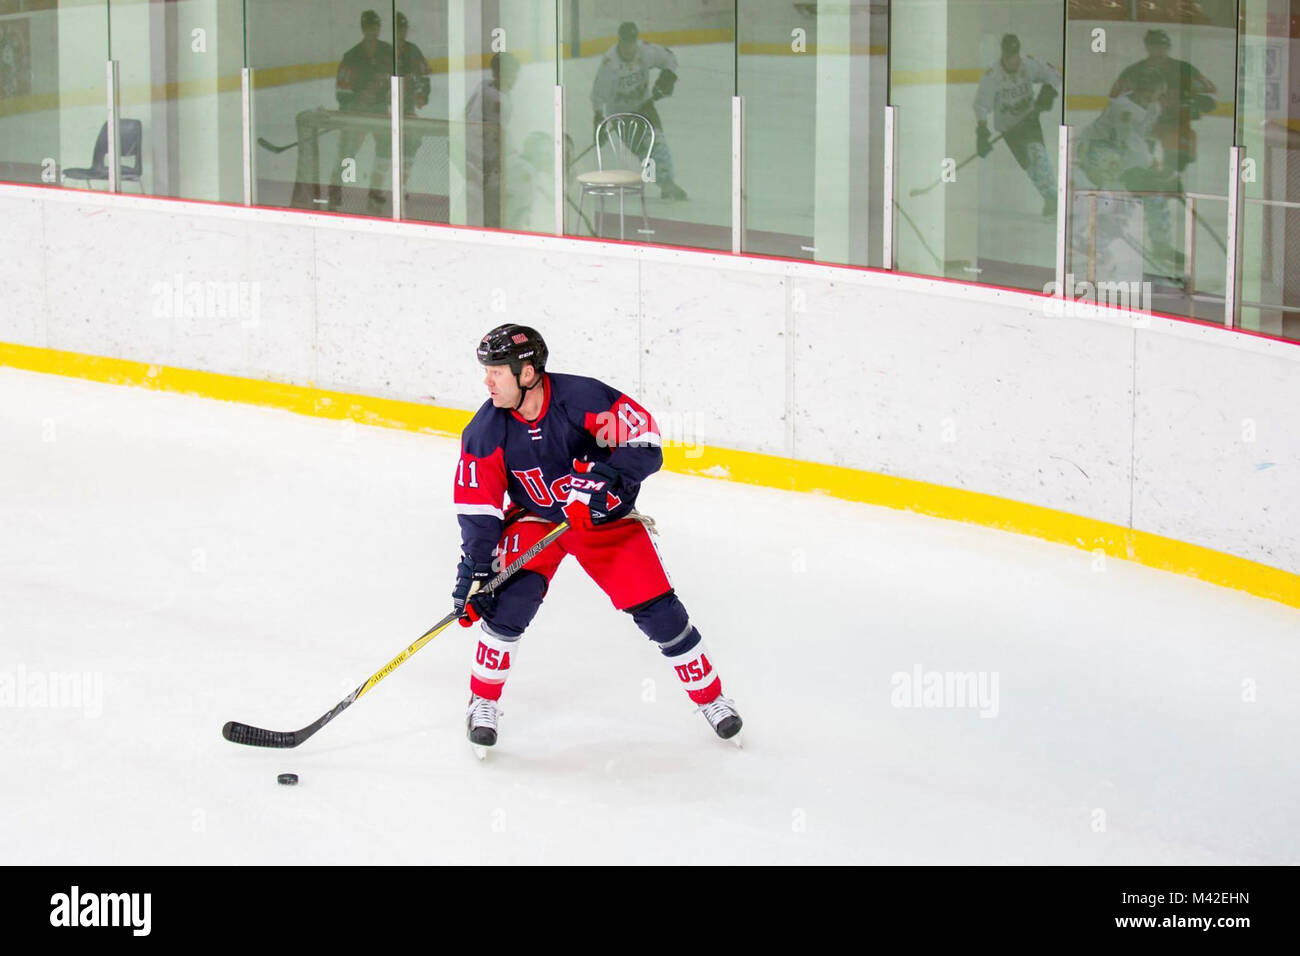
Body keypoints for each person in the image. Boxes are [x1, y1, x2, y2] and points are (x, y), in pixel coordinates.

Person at [451, 324, 743, 750]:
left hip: (603, 523)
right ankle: (483, 702)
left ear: (527, 372)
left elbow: (644, 442)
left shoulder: (581, 399)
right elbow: (479, 507)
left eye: (497, 370)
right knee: (507, 606)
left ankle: (713, 700)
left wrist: (605, 482)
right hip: (537, 521)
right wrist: (476, 569)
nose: (487, 381)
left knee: (661, 613)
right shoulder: (485, 431)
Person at [590, 21, 687, 201]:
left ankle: (668, 183)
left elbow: (670, 58)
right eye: (625, 43)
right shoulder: (609, 64)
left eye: (632, 42)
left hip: (644, 106)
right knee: (645, 151)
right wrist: (598, 119)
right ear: (620, 42)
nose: (629, 48)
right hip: (621, 116)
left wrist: (667, 77)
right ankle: (663, 182)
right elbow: (597, 94)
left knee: (658, 142)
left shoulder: (645, 51)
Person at [973, 33, 1063, 217]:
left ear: (1018, 53)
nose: (1012, 60)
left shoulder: (1028, 65)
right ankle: (1049, 197)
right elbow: (981, 104)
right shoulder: (993, 74)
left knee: (1039, 155)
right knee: (1029, 166)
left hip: (1029, 120)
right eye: (1008, 56)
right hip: (1009, 128)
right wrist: (982, 130)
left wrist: (1048, 91)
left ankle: (1054, 196)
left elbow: (1054, 75)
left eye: (1014, 56)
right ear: (1003, 54)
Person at [1109, 28, 1216, 176]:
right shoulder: (1133, 71)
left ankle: (1166, 181)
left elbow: (1209, 89)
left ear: (1168, 47)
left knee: (1174, 167)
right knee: (1140, 165)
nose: (1159, 49)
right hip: (1142, 125)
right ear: (1147, 47)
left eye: (1162, 45)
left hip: (1174, 124)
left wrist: (1195, 100)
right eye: (1154, 45)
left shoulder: (1184, 69)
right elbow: (1115, 96)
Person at [331, 10, 394, 213]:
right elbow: (342, 89)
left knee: (385, 149)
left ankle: (375, 189)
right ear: (363, 28)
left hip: (379, 111)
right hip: (357, 113)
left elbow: (397, 80)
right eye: (368, 26)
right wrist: (351, 108)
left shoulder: (387, 52)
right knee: (348, 151)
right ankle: (335, 188)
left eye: (375, 26)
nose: (372, 30)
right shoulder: (352, 56)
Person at [465, 52, 521, 228]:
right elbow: (491, 131)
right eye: (511, 74)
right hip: (480, 157)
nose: (514, 79)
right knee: (487, 195)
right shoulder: (496, 99)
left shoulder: (485, 87)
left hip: (478, 154)